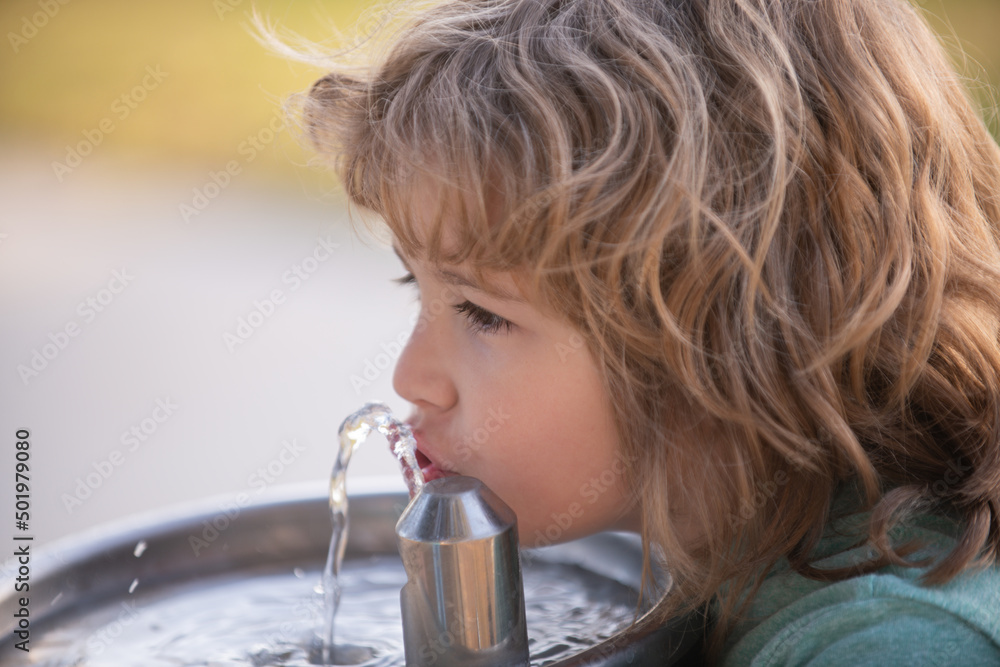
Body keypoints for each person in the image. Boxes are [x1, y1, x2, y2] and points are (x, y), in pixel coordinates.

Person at [281, 0, 1000, 662]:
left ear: (721, 345)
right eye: (418, 286)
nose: (411, 378)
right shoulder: (722, 536)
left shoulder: (890, 643)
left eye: (483, 313)